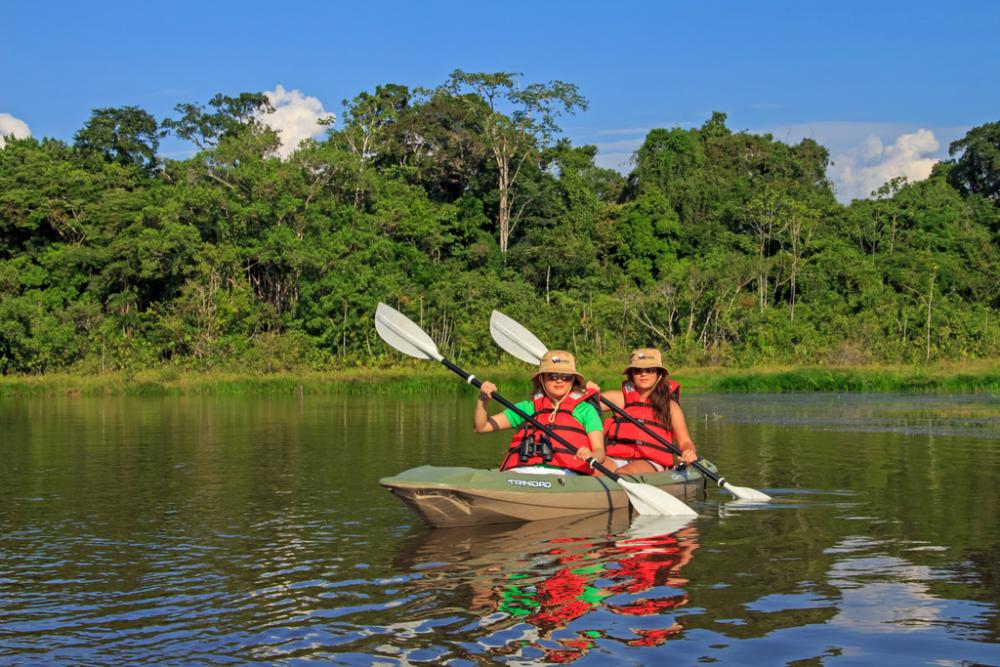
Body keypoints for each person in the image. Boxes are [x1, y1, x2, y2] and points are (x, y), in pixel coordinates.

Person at [474, 350, 606, 474]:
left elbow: (600, 452)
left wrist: (591, 455)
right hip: (522, 472)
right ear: (541, 378)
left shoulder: (586, 410)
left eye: (566, 377)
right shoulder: (527, 408)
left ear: (573, 380)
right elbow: (481, 427)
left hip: (566, 474)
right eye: (553, 376)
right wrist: (482, 400)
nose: (559, 380)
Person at [588, 348, 697, 475]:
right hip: (615, 458)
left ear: (659, 373)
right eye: (638, 371)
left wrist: (689, 451)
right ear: (631, 374)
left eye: (649, 370)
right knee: (592, 470)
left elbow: (685, 442)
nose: (643, 374)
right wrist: (588, 394)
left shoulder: (670, 407)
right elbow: (582, 406)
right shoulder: (618, 398)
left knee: (624, 473)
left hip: (650, 462)